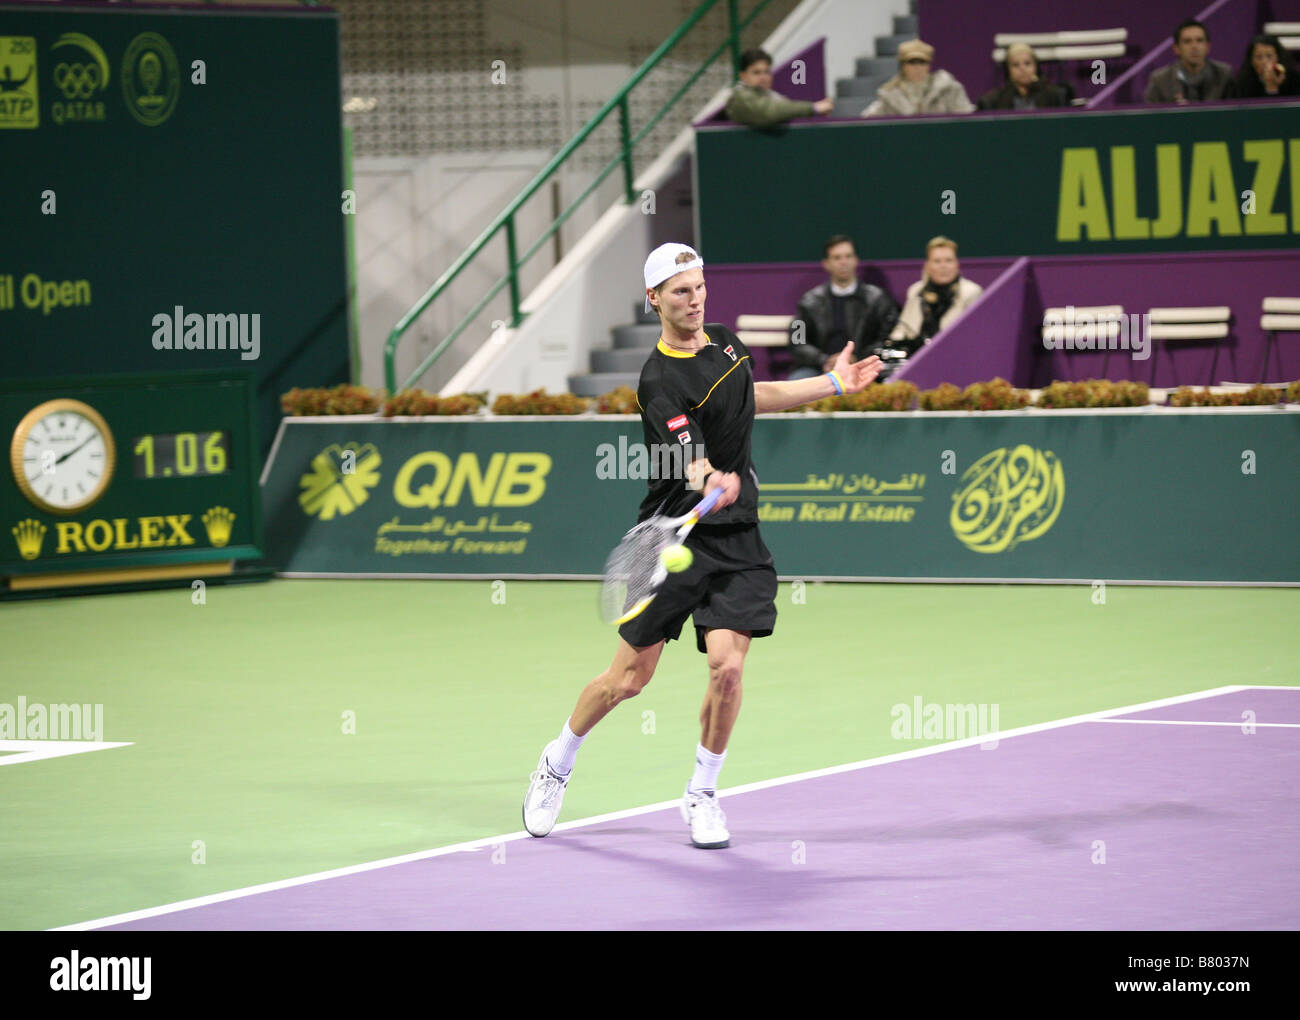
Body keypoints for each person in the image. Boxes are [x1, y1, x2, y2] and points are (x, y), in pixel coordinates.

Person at [522, 242, 882, 849]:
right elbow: (688, 456)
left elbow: (751, 395)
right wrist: (710, 478)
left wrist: (832, 384)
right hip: (673, 539)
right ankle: (558, 759)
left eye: (700, 286)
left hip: (737, 538)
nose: (695, 300)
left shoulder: (723, 340)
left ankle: (701, 794)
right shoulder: (657, 381)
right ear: (654, 299)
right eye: (681, 291)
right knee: (627, 681)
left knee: (729, 669)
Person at [788, 234, 898, 380]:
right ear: (826, 263)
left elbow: (889, 337)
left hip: (866, 367)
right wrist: (824, 360)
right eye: (837, 257)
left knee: (895, 383)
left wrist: (858, 357)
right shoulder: (809, 301)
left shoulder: (877, 299)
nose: (843, 262)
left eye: (848, 256)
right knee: (797, 382)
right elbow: (797, 340)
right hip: (820, 369)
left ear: (856, 260)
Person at [886, 236, 982, 354]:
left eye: (948, 260)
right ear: (927, 266)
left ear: (957, 264)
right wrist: (890, 345)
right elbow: (903, 329)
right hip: (915, 355)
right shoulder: (916, 291)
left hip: (955, 353)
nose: (943, 266)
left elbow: (974, 335)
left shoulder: (971, 292)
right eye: (937, 261)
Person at [860, 38, 975, 117]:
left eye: (922, 62)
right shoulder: (891, 95)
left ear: (929, 66)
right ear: (903, 66)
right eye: (912, 62)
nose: (917, 67)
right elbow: (869, 119)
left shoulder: (949, 89)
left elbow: (967, 116)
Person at [724, 47, 833, 128]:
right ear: (743, 76)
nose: (763, 77)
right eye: (756, 73)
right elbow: (767, 112)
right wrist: (813, 108)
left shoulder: (774, 97)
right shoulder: (740, 97)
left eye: (766, 72)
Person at [1144, 19, 1237, 103]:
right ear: (1176, 48)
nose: (1194, 47)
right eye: (1187, 41)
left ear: (1208, 46)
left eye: (1199, 40)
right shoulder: (1160, 80)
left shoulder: (1224, 75)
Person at [976, 42, 1068, 110]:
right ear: (1008, 70)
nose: (1022, 69)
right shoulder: (994, 100)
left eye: (1027, 63)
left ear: (1036, 66)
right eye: (1015, 65)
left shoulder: (1054, 96)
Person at [1234, 33, 1300, 98]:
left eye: (1269, 56)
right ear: (1251, 61)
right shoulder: (1244, 83)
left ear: (1278, 57)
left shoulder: (1293, 79)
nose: (1264, 61)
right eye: (1259, 57)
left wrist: (1273, 87)